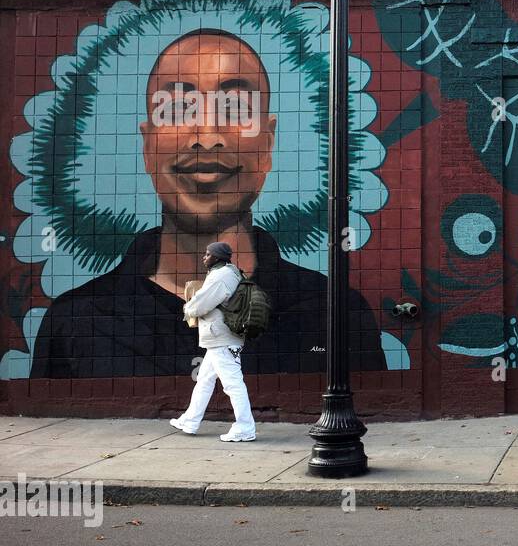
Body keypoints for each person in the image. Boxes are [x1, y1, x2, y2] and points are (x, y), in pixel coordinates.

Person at [31, 28, 384, 378]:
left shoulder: (332, 313)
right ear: (147, 146)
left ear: (268, 144)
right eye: (177, 108)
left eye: (234, 107)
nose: (207, 137)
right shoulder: (75, 321)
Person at [170, 241, 255, 442]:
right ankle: (190, 420)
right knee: (205, 380)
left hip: (221, 339)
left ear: (217, 257)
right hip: (220, 338)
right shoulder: (231, 272)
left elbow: (201, 305)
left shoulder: (220, 277)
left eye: (208, 254)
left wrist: (187, 308)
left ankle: (245, 427)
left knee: (233, 384)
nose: (204, 257)